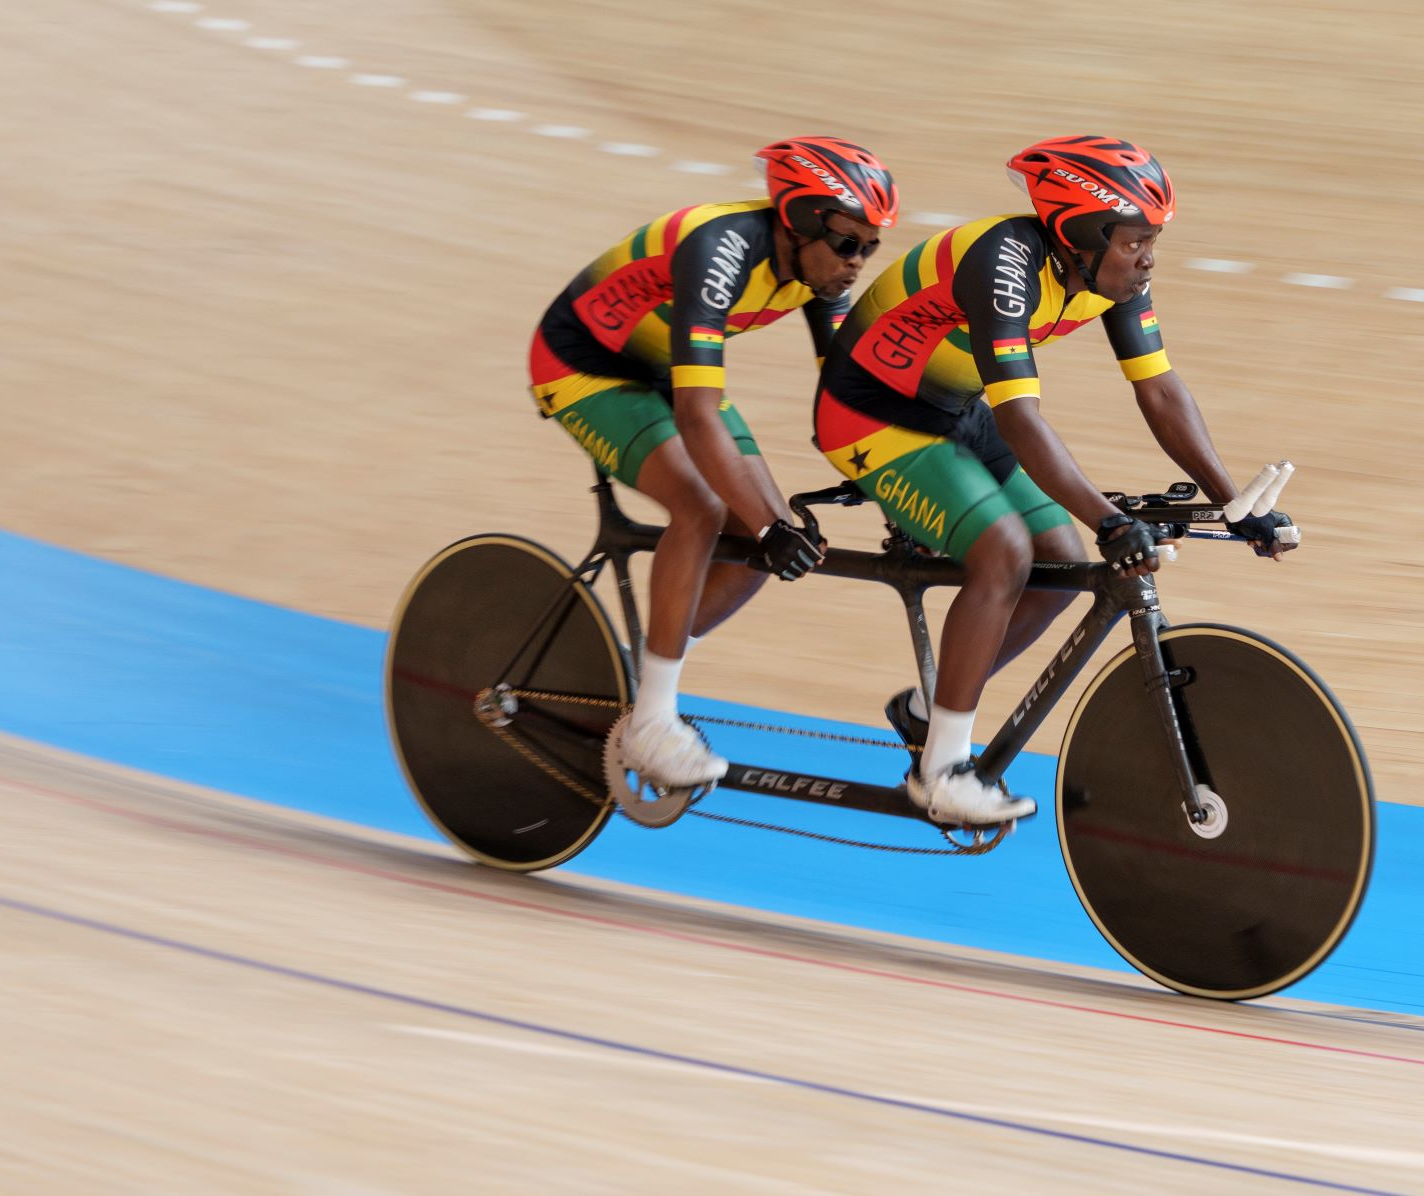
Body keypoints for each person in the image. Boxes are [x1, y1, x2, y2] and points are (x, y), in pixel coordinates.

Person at [814, 134, 1293, 826]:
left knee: (1060, 562)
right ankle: (941, 772)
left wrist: (1232, 502)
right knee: (1004, 554)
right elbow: (1020, 421)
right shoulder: (1001, 262)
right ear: (1079, 235)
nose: (1147, 256)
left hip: (949, 410)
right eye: (1134, 241)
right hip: (867, 412)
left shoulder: (1111, 275)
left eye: (1151, 239)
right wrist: (1110, 520)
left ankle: (924, 710)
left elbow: (1157, 391)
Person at [529, 136, 899, 787]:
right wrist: (764, 523)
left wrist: (894, 500)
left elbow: (848, 399)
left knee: (771, 534)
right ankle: (650, 723)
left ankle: (643, 682)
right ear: (798, 221)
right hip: (586, 366)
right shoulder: (720, 249)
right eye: (847, 243)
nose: (857, 263)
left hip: (666, 369)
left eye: (871, 248)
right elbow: (700, 417)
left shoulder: (818, 272)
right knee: (705, 508)